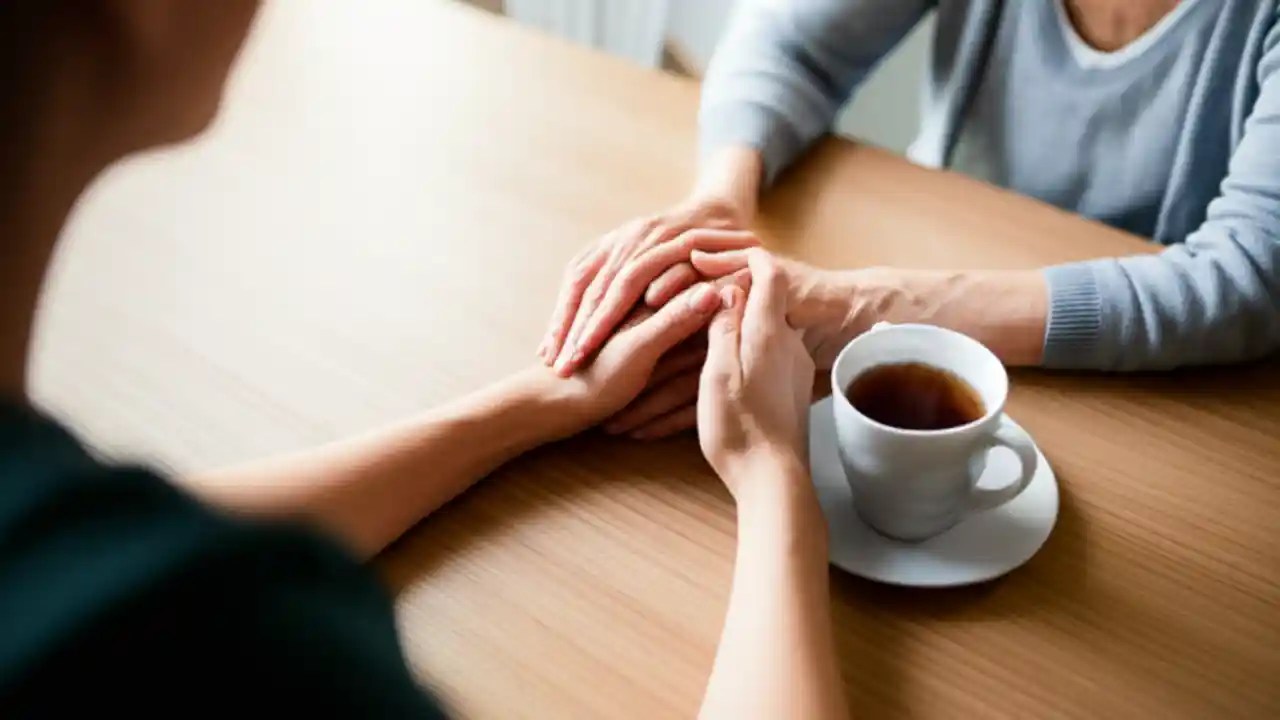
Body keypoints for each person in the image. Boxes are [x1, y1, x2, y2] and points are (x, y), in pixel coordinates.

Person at [0, 3, 848, 718]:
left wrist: (543, 400)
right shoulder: (248, 648)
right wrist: (776, 472)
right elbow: (153, 582)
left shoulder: (78, 561)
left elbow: (104, 546)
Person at [539, 0, 1280, 440]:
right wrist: (719, 202)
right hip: (931, 297)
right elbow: (790, 39)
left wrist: (863, 307)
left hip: (1167, 396)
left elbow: (1250, 272)